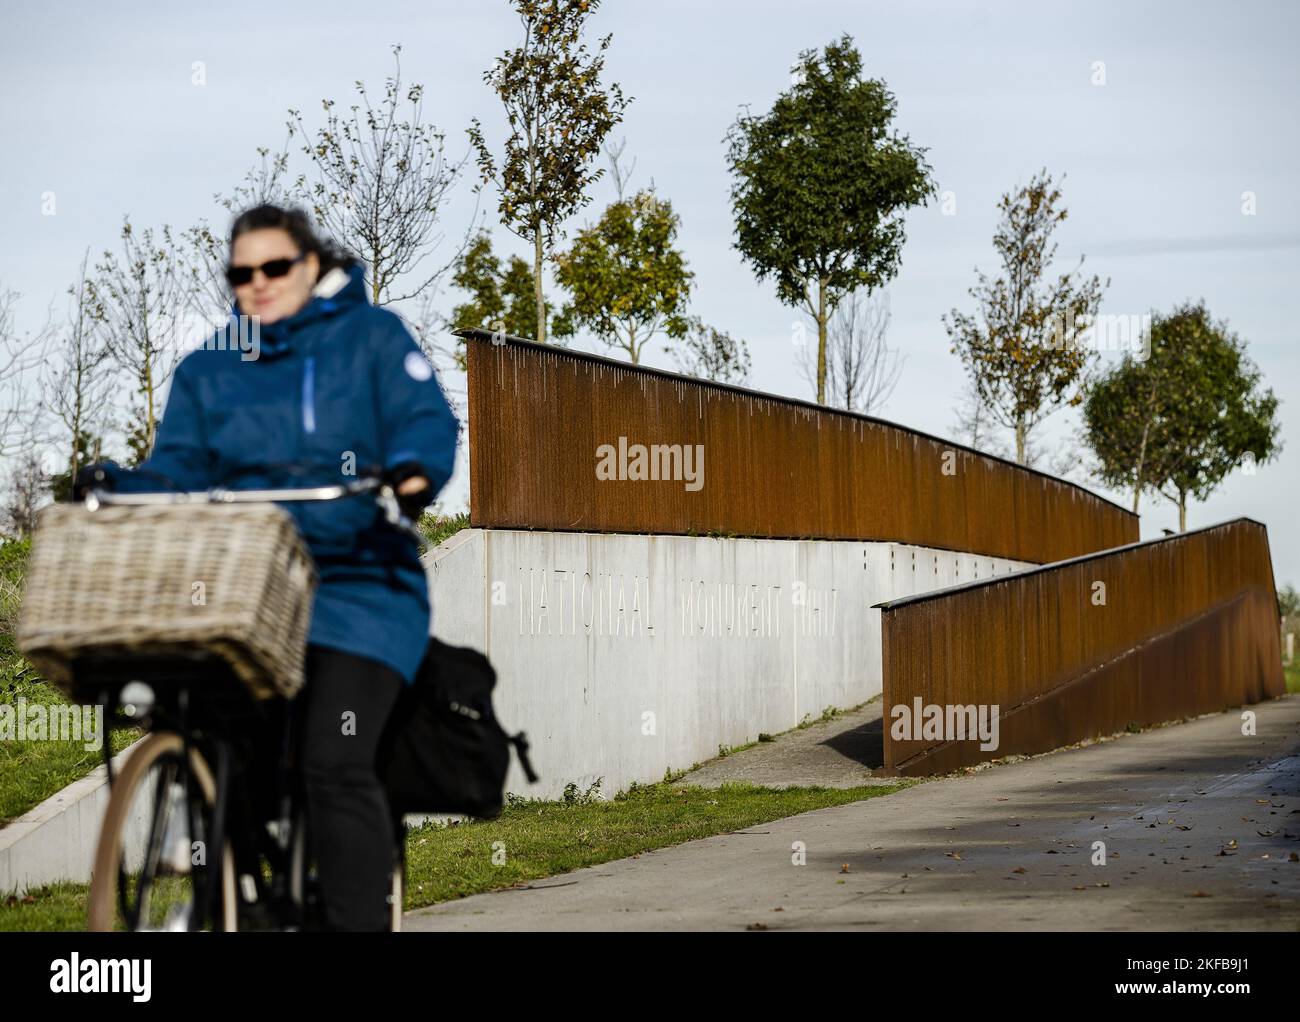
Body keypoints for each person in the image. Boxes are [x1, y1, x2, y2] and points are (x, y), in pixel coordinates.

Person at [79, 203, 460, 930]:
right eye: (240, 272)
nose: (257, 283)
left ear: (311, 264)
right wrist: (118, 487)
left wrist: (410, 472)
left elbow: (423, 418)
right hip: (244, 593)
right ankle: (230, 895)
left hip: (358, 590)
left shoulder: (371, 339)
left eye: (274, 267)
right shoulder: (211, 368)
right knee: (208, 733)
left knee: (334, 756)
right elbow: (178, 471)